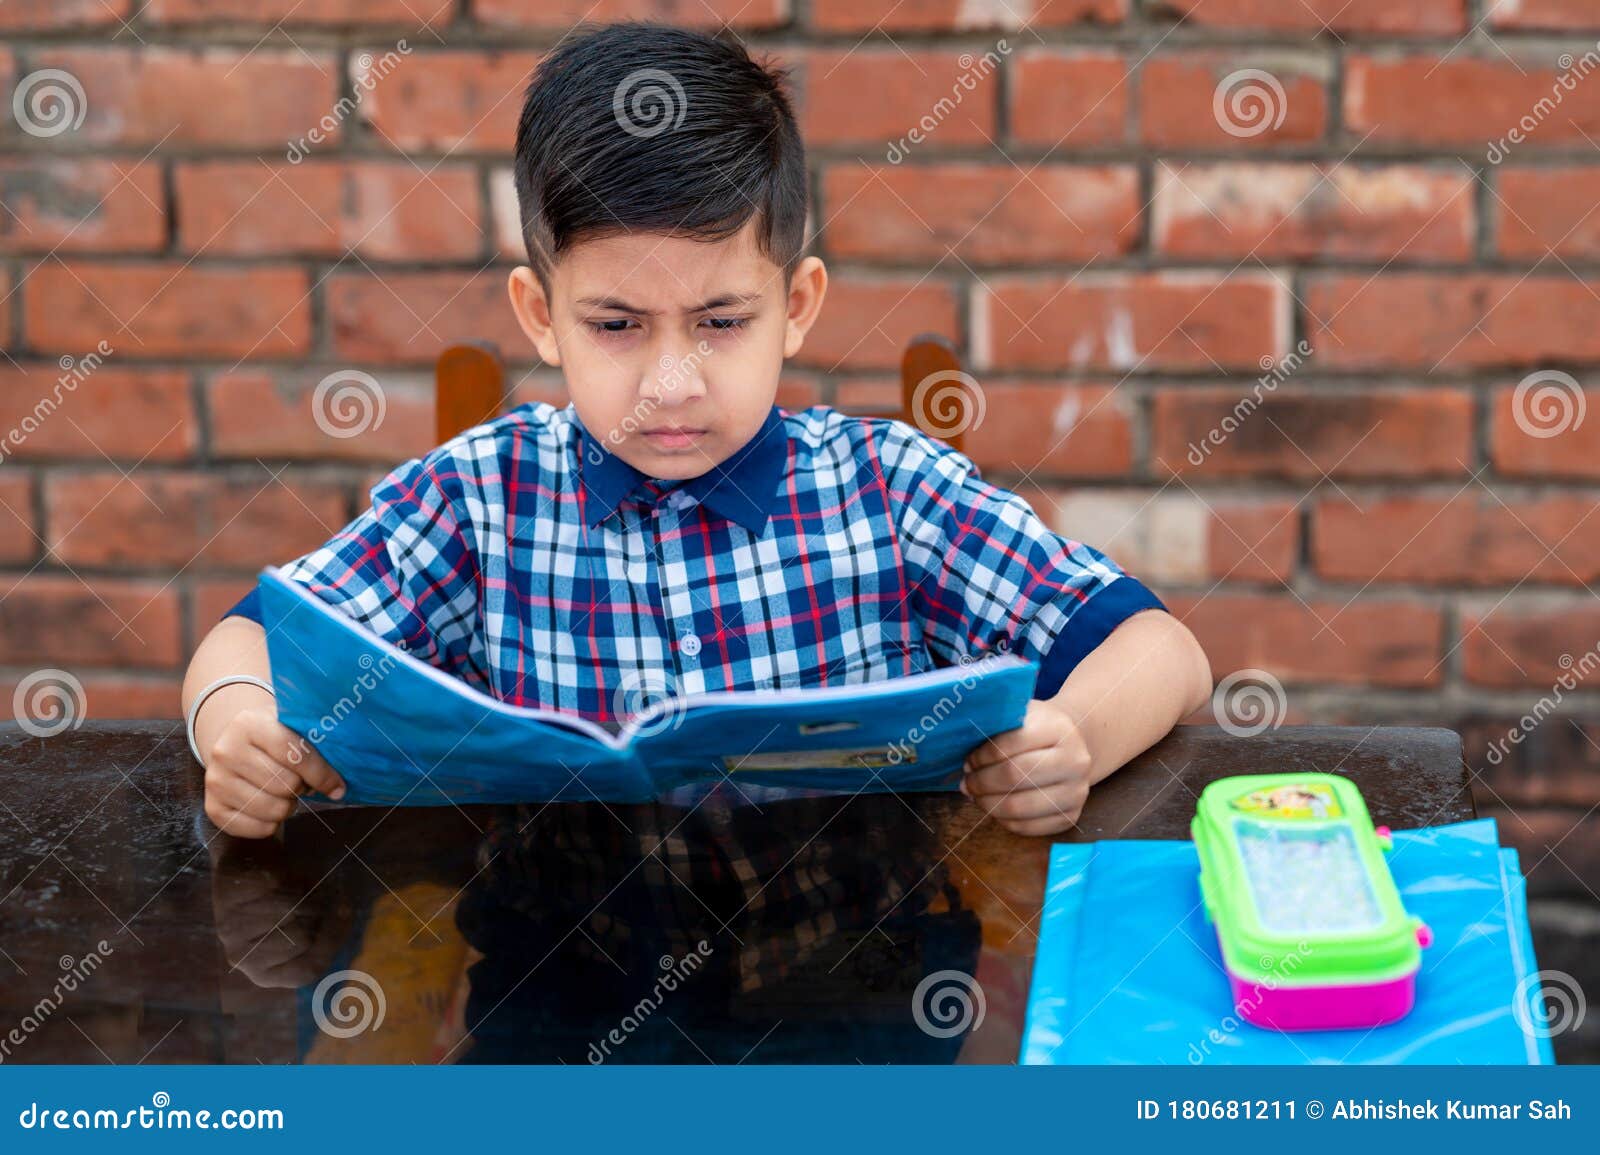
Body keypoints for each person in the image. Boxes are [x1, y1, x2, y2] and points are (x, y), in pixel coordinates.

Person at [182, 22, 1212, 841]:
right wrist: (236, 725)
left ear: (797, 303)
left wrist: (1072, 736)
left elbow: (1159, 650)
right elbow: (246, 640)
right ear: (541, 316)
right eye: (616, 326)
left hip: (853, 1012)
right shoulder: (478, 499)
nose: (670, 384)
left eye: (721, 323)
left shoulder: (890, 492)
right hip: (554, 1008)